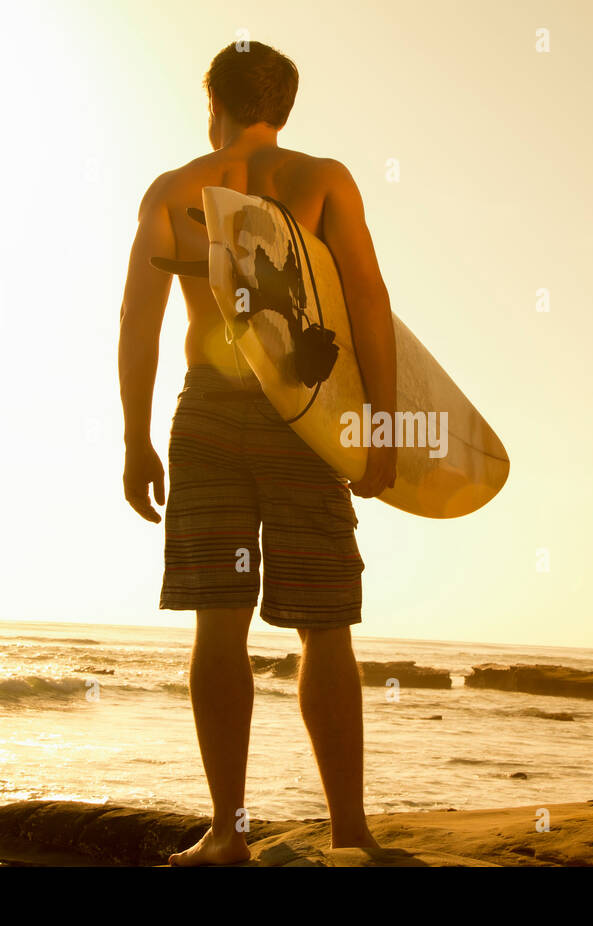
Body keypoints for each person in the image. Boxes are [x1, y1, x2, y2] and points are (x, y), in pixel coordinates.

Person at [116, 40, 397, 866]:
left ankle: (227, 835)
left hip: (206, 413)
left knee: (218, 626)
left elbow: (139, 322)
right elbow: (369, 301)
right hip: (304, 419)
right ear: (284, 108)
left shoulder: (173, 192)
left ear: (216, 104)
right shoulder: (323, 181)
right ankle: (351, 835)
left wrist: (135, 439)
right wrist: (378, 424)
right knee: (326, 625)